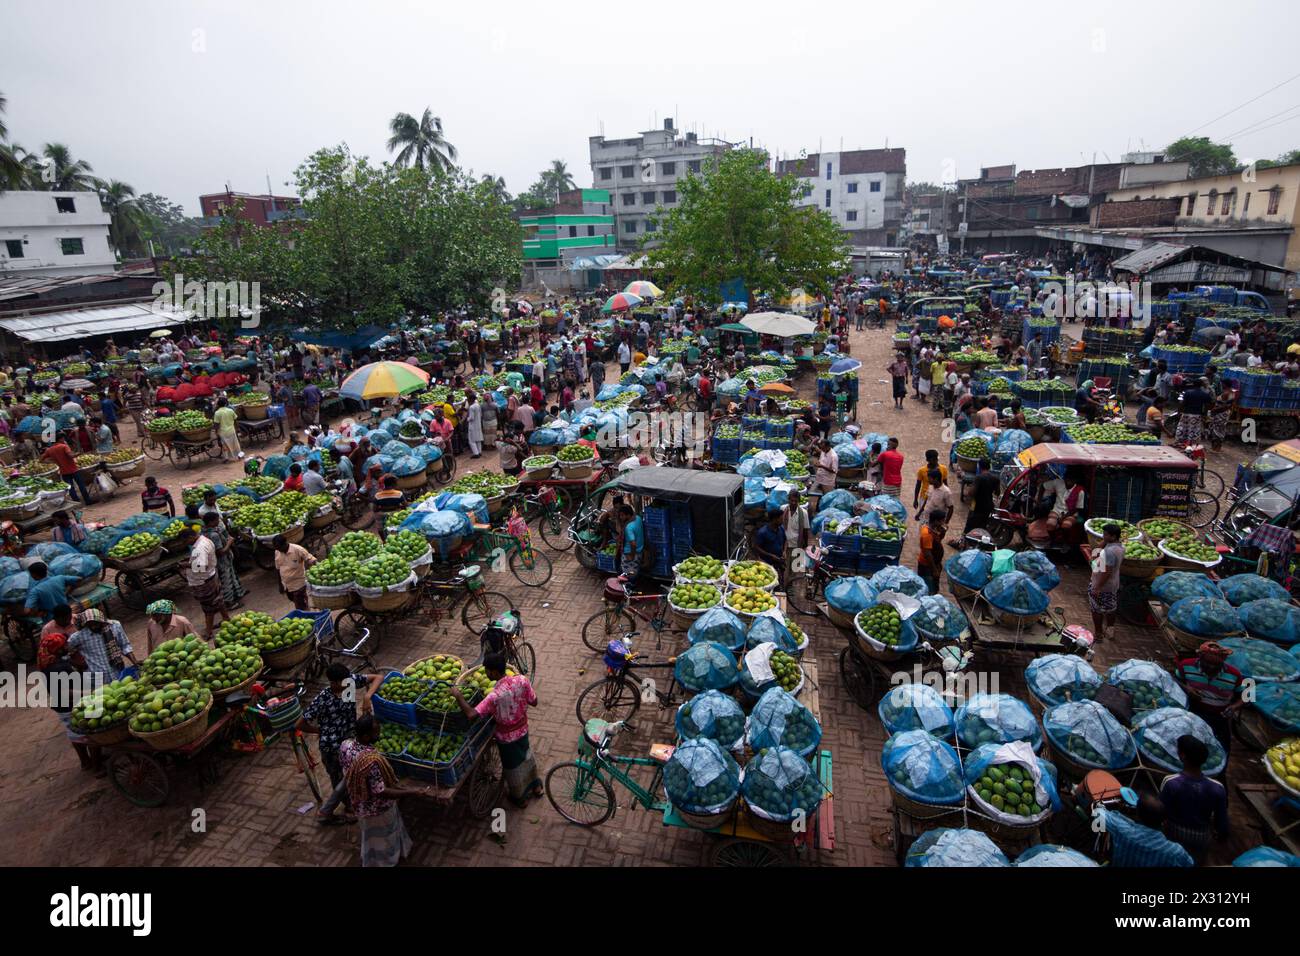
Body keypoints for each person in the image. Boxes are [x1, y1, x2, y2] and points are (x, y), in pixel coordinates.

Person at [449, 652, 542, 810]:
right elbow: (534, 701)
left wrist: (458, 696)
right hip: (523, 729)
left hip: (506, 737)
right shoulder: (522, 680)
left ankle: (519, 798)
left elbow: (471, 714)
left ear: (493, 672)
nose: (485, 672)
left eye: (486, 670)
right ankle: (536, 786)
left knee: (512, 767)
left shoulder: (494, 695)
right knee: (526, 756)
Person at [339, 714, 431, 866]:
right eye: (376, 731)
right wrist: (412, 792)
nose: (380, 734)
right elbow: (381, 791)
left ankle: (372, 857)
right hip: (377, 809)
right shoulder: (371, 761)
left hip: (359, 802)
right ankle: (387, 862)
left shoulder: (346, 745)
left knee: (370, 835)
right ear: (367, 735)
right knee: (385, 837)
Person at [300, 664, 376, 825]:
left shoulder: (349, 682)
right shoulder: (323, 699)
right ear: (333, 683)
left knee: (350, 774)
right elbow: (299, 724)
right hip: (331, 747)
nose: (348, 683)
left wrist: (367, 697)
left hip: (348, 740)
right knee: (339, 778)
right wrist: (319, 731)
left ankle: (340, 807)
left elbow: (378, 678)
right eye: (343, 681)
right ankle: (342, 809)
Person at [1159, 735, 1229, 864]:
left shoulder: (1171, 782)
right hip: (1202, 838)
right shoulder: (1218, 788)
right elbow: (1222, 824)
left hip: (1174, 835)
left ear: (1182, 756)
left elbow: (1161, 813)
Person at [1175, 641, 1245, 759]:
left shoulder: (1234, 675)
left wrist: (1234, 707)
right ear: (1200, 657)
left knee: (1222, 750)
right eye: (1207, 663)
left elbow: (1248, 695)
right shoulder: (1185, 666)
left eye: (1216, 665)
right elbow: (1175, 680)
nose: (1211, 667)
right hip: (1192, 712)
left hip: (1219, 717)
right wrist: (1187, 689)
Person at [1099, 797, 1194, 868]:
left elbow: (1098, 812)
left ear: (1138, 815)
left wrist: (1120, 811)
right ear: (1164, 823)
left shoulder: (1122, 830)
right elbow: (1190, 864)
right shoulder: (1176, 852)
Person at [66, 608, 138, 682]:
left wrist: (135, 662)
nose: (94, 627)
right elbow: (65, 653)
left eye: (96, 624)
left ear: (102, 621)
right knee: (99, 693)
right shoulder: (78, 636)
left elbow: (125, 645)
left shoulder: (115, 626)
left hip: (116, 671)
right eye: (90, 625)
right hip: (95, 678)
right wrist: (78, 664)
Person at [185, 524, 229, 639]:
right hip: (211, 575)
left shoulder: (199, 548)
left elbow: (200, 566)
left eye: (185, 541)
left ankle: (208, 632)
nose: (185, 544)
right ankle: (226, 619)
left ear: (190, 537)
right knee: (218, 599)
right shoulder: (204, 539)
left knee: (208, 607)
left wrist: (185, 565)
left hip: (203, 580)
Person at [202, 509, 245, 609]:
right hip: (222, 560)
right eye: (217, 520)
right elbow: (220, 552)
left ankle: (238, 593)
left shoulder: (205, 532)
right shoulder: (213, 535)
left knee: (231, 576)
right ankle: (229, 602)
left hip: (221, 560)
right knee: (226, 580)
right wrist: (229, 542)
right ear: (211, 522)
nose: (218, 521)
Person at [1088, 522, 1124, 641]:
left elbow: (1106, 572)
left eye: (1106, 535)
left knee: (1096, 609)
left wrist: (1097, 587)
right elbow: (1095, 553)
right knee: (1111, 608)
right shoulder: (1119, 547)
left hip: (1103, 585)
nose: (1103, 536)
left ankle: (1098, 634)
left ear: (1113, 536)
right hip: (1112, 585)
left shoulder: (1109, 552)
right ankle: (1110, 630)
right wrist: (1105, 542)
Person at [273, 532, 316, 611]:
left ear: (285, 543)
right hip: (287, 585)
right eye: (277, 548)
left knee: (300, 606)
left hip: (299, 584)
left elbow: (311, 560)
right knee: (295, 600)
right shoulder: (277, 551)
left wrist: (314, 574)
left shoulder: (297, 549)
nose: (279, 550)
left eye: (279, 548)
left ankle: (308, 616)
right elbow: (278, 568)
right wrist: (280, 584)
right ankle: (307, 608)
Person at [42, 438, 90, 504]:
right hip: (73, 469)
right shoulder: (64, 446)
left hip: (63, 471)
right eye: (63, 439)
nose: (64, 440)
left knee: (70, 488)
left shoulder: (49, 450)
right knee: (81, 485)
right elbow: (70, 455)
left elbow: (41, 459)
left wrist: (52, 461)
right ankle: (88, 501)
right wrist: (79, 453)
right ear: (60, 439)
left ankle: (76, 502)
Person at [1175, 377, 1212, 446]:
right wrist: (1205, 414)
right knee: (1194, 430)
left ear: (1193, 384)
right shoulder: (1204, 394)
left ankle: (1180, 443)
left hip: (1186, 413)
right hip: (1196, 414)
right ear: (1201, 385)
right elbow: (1207, 406)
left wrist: (1179, 412)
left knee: (1183, 428)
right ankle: (1191, 444)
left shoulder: (1187, 392)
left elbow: (1182, 403)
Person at [917, 510, 947, 595]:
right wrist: (934, 570)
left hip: (934, 563)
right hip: (927, 566)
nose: (943, 522)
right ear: (936, 521)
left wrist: (942, 533)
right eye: (942, 520)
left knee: (933, 586)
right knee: (928, 588)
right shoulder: (927, 534)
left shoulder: (933, 529)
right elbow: (927, 553)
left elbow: (937, 541)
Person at [753, 510, 786, 583]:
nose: (782, 520)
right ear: (775, 519)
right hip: (767, 563)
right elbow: (756, 547)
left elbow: (785, 540)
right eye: (781, 519)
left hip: (779, 561)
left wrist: (784, 551)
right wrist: (770, 555)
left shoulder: (781, 528)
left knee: (780, 579)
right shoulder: (763, 532)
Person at [619, 504, 644, 579]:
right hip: (639, 551)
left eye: (622, 515)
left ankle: (628, 587)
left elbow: (633, 544)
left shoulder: (629, 527)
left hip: (630, 553)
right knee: (635, 571)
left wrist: (631, 556)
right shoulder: (638, 518)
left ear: (628, 515)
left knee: (628, 575)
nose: (621, 517)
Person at [213, 397, 242, 461]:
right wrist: (237, 428)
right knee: (235, 444)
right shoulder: (230, 410)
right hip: (232, 430)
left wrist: (216, 432)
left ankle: (227, 458)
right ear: (226, 403)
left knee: (225, 445)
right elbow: (235, 420)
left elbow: (216, 424)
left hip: (223, 432)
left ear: (218, 404)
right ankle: (239, 455)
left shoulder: (217, 413)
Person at [464, 390, 483, 458]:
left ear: (471, 399)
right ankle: (479, 451)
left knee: (471, 440)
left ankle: (476, 453)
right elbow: (480, 415)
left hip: (472, 425)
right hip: (478, 424)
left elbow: (471, 418)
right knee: (478, 439)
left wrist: (467, 419)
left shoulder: (471, 407)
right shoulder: (478, 405)